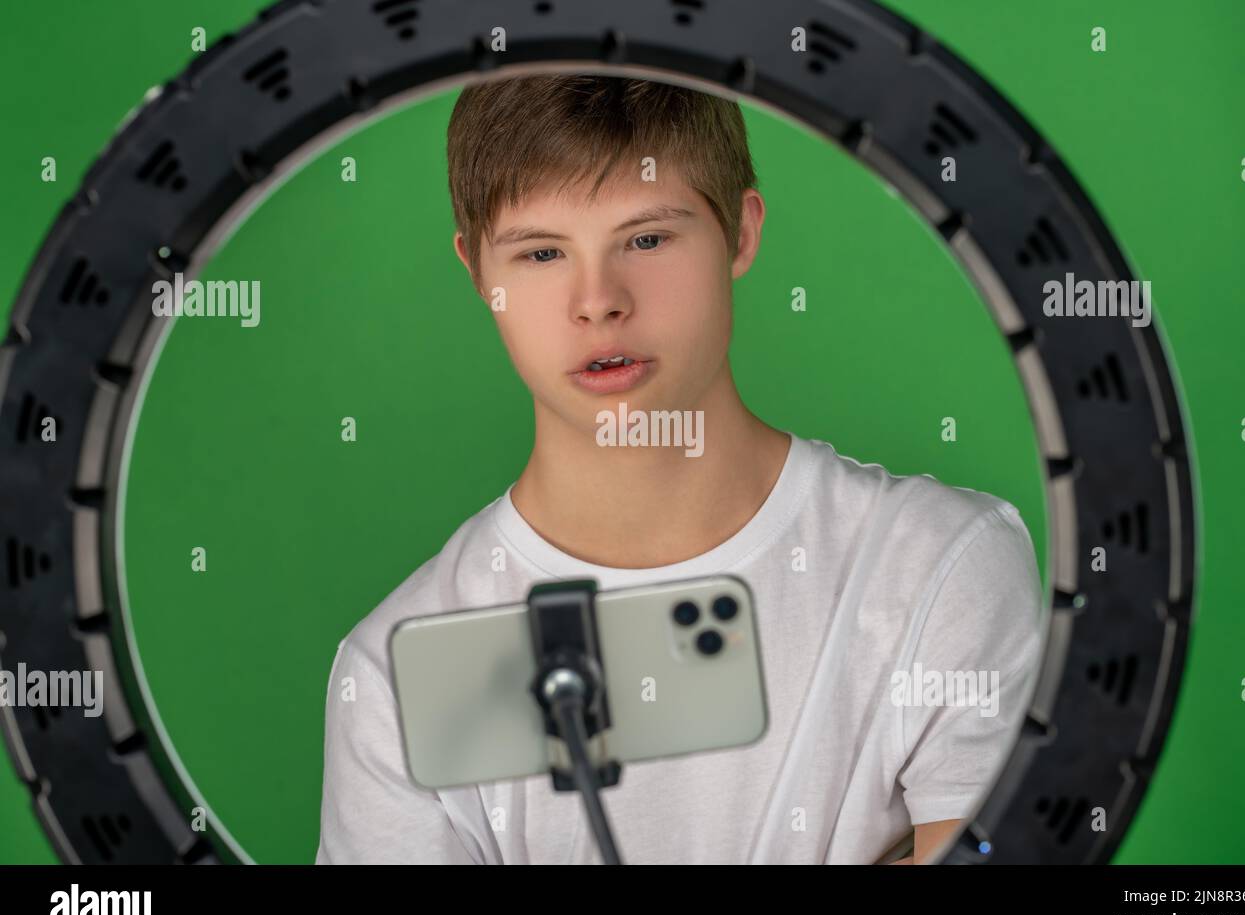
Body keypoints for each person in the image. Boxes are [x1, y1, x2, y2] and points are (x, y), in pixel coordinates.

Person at [316, 73, 1044, 864]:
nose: (598, 301)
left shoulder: (942, 571)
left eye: (648, 238)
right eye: (541, 252)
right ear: (477, 273)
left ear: (740, 232)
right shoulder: (397, 674)